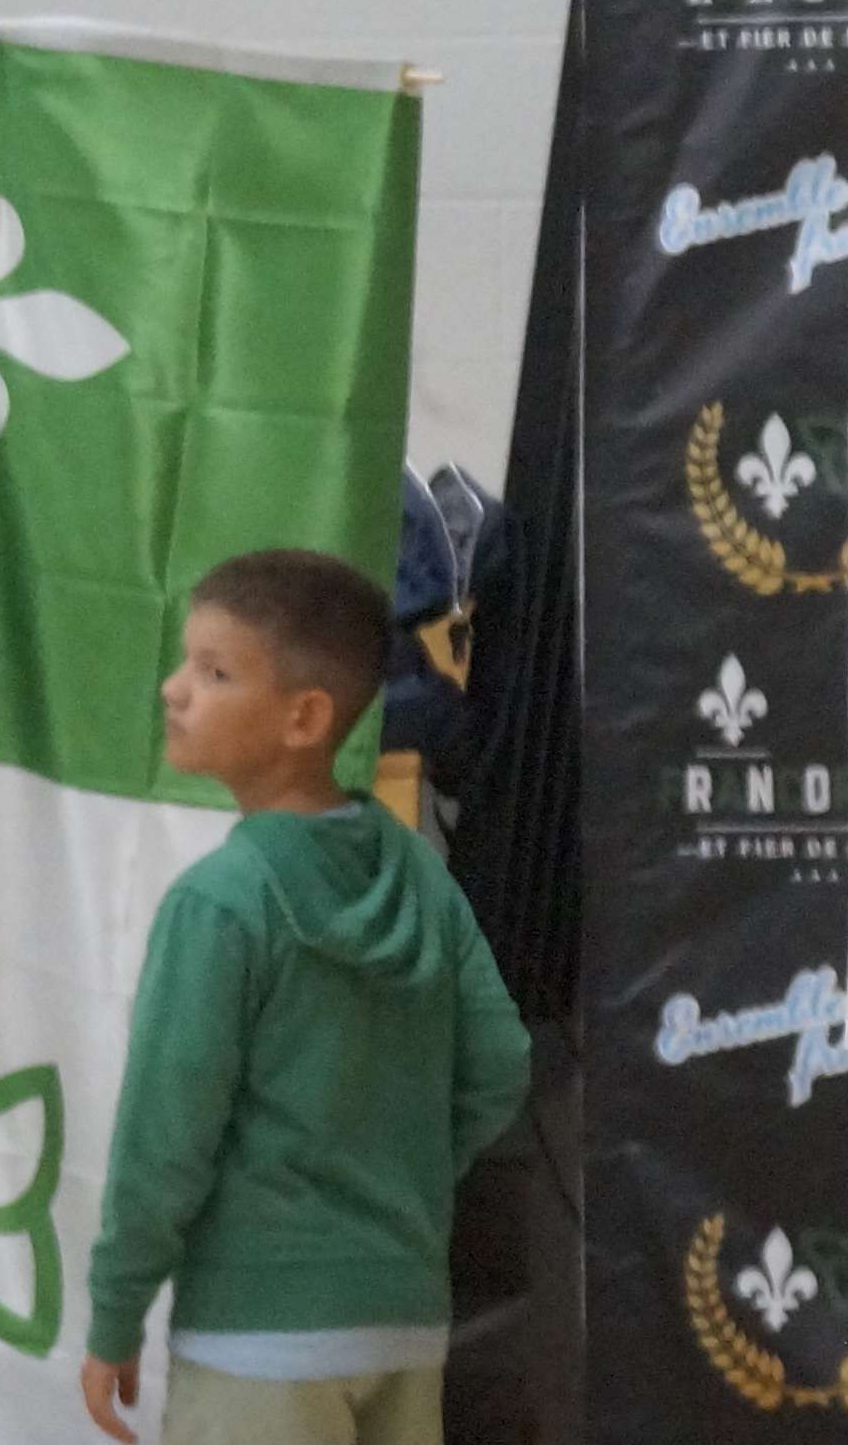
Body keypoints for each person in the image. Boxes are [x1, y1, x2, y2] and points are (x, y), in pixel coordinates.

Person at [83, 551, 533, 1445]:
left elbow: (164, 1139)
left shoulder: (220, 902)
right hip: (405, 1321)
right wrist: (394, 1180)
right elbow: (504, 1063)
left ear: (306, 716)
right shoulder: (416, 872)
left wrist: (114, 1316)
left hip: (259, 1341)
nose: (174, 690)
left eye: (214, 672)